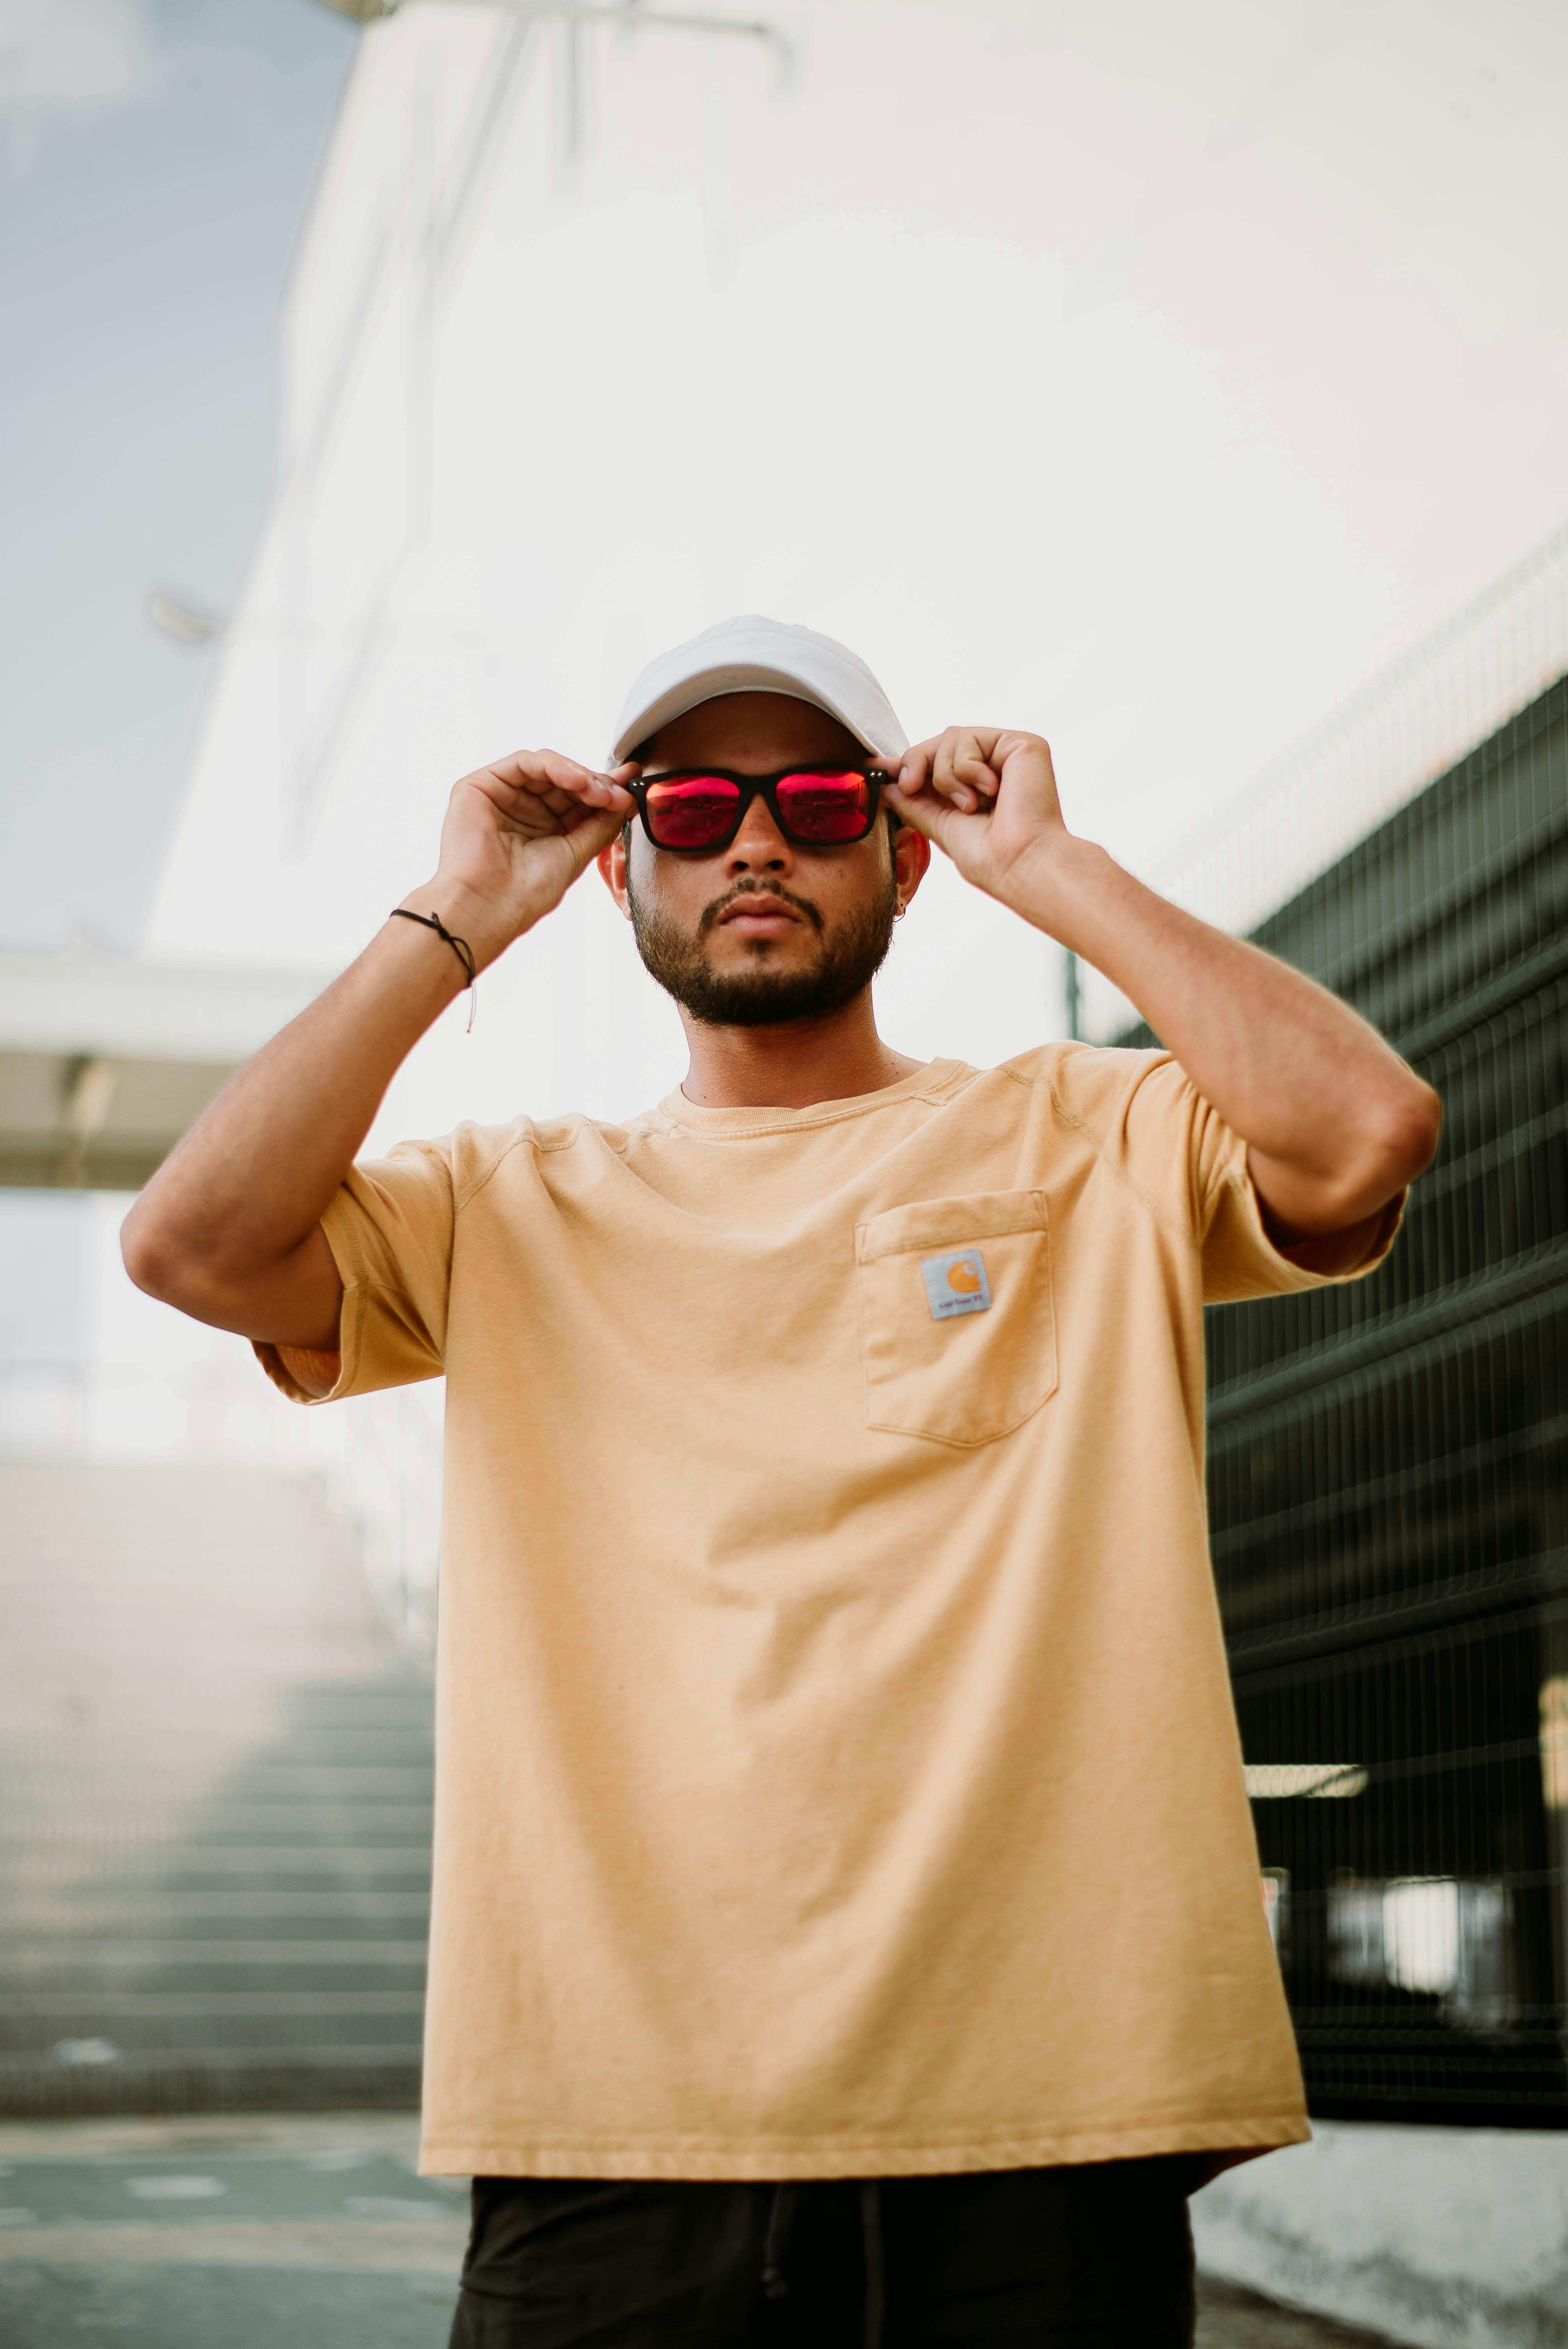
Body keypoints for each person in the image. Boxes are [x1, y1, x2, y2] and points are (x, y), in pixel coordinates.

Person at [123, 616, 1440, 2347]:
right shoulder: (508, 1201)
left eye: (817, 799)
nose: (753, 838)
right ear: (618, 868)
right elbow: (192, 1244)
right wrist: (456, 921)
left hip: (1044, 2112)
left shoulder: (1083, 1133)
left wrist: (1045, 864)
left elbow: (1363, 1132)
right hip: (612, 2120)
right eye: (685, 808)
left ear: (901, 851)